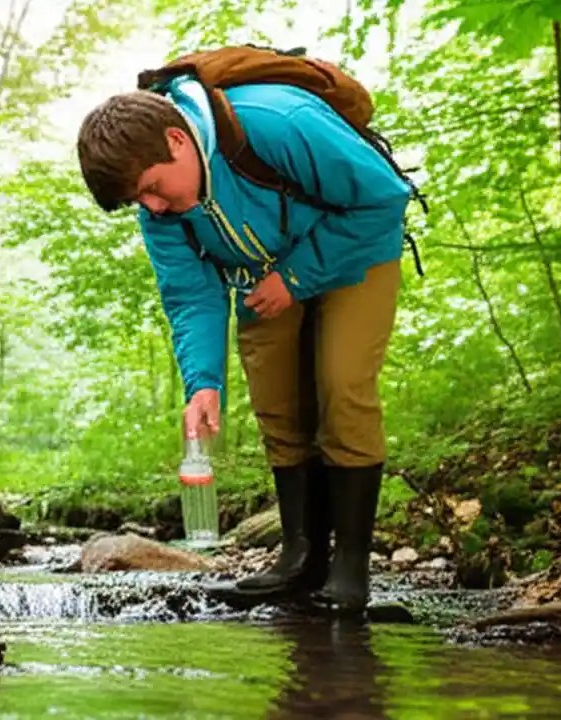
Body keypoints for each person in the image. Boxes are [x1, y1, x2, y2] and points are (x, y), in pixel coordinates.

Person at [74, 50, 413, 613]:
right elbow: (192, 294)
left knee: (342, 385)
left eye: (154, 188)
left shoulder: (278, 121)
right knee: (278, 404)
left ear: (178, 142)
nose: (154, 207)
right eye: (140, 200)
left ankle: (351, 567)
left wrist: (296, 276)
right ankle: (300, 556)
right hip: (262, 276)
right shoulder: (158, 210)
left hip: (355, 254)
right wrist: (202, 382)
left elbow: (384, 199)